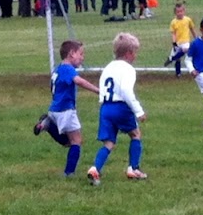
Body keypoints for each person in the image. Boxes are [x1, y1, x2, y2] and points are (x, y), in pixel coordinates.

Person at [33, 40, 101, 177]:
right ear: (71, 54)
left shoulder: (58, 69)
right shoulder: (68, 69)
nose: (83, 57)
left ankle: (47, 125)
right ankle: (69, 173)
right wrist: (98, 90)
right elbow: (79, 81)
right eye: (80, 54)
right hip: (65, 110)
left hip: (55, 108)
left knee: (68, 142)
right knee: (76, 141)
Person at [87, 31, 147, 185]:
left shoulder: (108, 68)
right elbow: (126, 91)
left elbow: (103, 87)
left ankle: (95, 168)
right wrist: (139, 111)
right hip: (120, 107)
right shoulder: (128, 69)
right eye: (135, 53)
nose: (135, 56)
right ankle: (133, 168)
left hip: (105, 108)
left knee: (109, 143)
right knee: (135, 134)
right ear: (128, 53)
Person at [165, 3, 194, 76]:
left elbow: (192, 29)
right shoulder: (173, 22)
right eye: (178, 12)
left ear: (184, 11)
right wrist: (174, 43)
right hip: (178, 42)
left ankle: (172, 58)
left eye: (181, 11)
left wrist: (196, 37)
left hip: (186, 41)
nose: (180, 13)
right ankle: (178, 73)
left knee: (186, 50)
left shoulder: (188, 20)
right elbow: (173, 33)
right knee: (178, 59)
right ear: (175, 13)